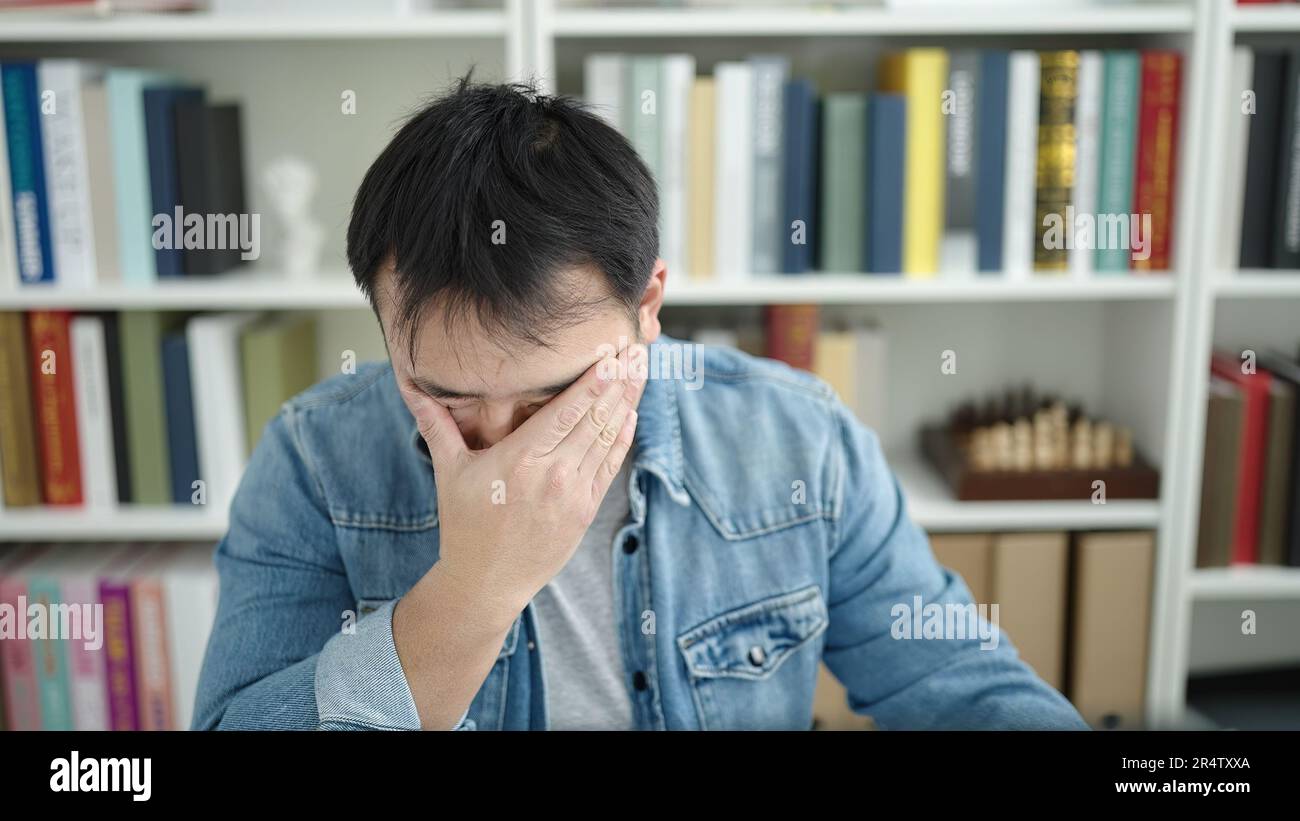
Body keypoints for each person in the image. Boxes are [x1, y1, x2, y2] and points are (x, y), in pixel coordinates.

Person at [192, 75, 1088, 731]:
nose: (505, 450)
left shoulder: (797, 441)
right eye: (445, 395)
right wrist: (474, 591)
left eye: (553, 393)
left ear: (649, 304)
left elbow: (961, 685)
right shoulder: (312, 462)